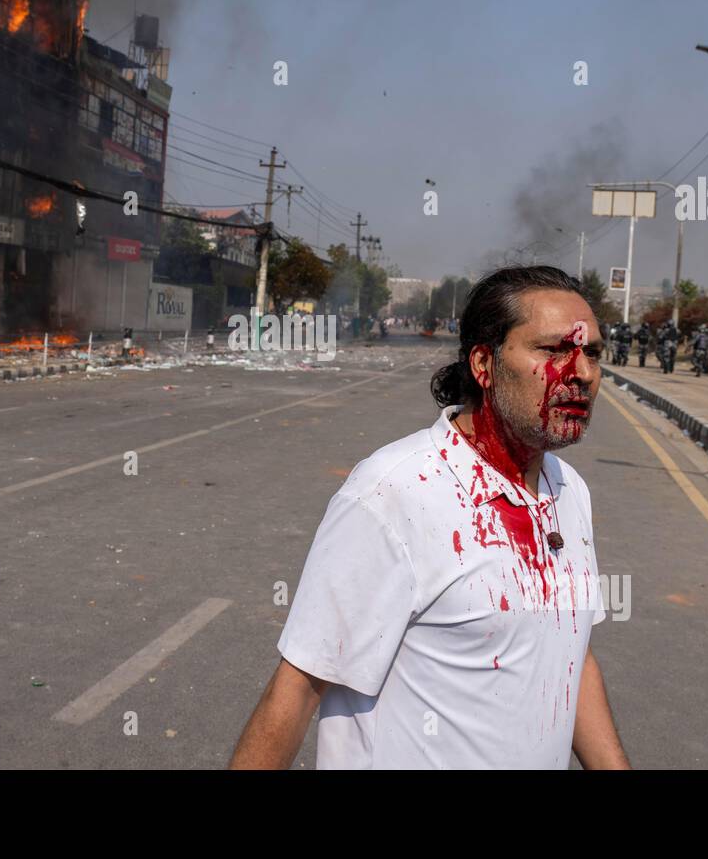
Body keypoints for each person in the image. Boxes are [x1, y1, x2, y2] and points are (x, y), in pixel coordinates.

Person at [229, 266, 629, 770]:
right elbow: (298, 689)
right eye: (553, 351)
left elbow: (569, 655)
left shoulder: (569, 491)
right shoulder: (394, 494)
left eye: (592, 352)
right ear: (484, 363)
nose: (583, 372)